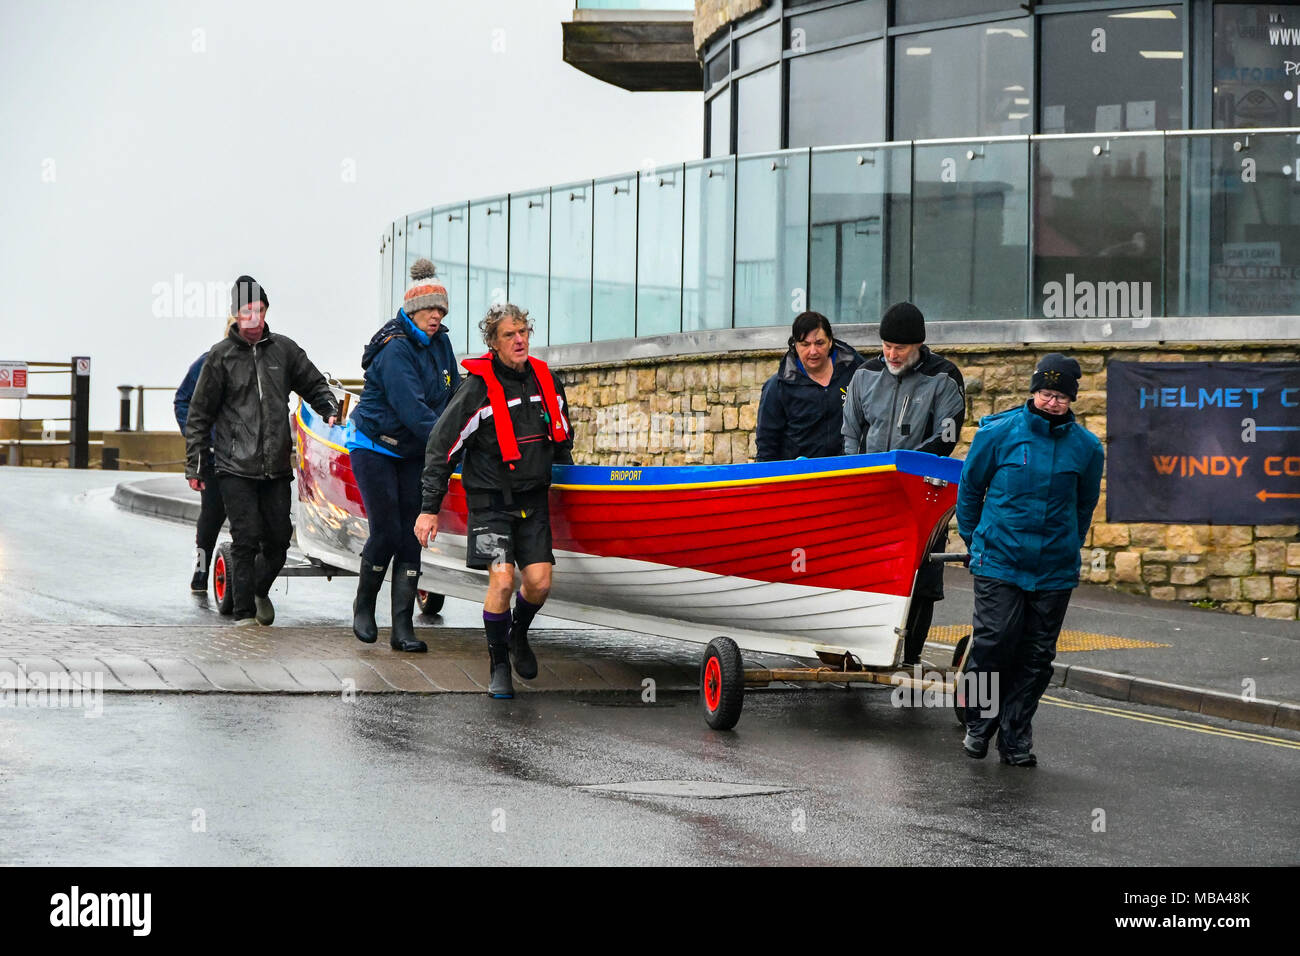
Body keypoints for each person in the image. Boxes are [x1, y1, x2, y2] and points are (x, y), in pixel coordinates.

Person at [414, 303, 573, 700]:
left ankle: (518, 634)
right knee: (502, 580)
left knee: (539, 583)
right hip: (491, 504)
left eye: (523, 332)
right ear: (493, 343)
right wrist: (429, 507)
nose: (519, 340)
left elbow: (563, 442)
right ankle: (498, 664)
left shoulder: (547, 381)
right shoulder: (475, 391)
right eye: (509, 335)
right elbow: (439, 447)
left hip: (533, 501)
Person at [956, 353, 1104, 767]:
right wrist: (975, 540)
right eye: (1044, 392)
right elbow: (969, 490)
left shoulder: (1088, 449)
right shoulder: (998, 434)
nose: (1050, 401)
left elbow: (1084, 505)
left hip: (1054, 567)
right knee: (994, 643)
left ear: (1072, 399)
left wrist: (1069, 545)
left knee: (1037, 657)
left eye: (1059, 395)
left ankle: (1016, 735)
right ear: (1033, 391)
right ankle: (978, 723)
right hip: (999, 559)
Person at [184, 276, 339, 626]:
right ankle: (243, 616)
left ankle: (257, 589)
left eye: (258, 309)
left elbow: (314, 384)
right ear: (235, 315)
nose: (252, 317)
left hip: (276, 466)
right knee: (246, 537)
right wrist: (195, 465)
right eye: (245, 311)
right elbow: (199, 414)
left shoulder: (283, 351)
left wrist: (328, 406)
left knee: (279, 540)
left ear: (266, 311)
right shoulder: (220, 358)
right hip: (234, 466)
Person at [841, 302, 966, 665]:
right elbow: (850, 432)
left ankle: (910, 656)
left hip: (923, 493)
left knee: (922, 579)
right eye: (886, 346)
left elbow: (947, 436)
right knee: (865, 572)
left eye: (900, 348)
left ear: (918, 346)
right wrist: (860, 474)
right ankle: (859, 651)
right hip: (871, 493)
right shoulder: (864, 374)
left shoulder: (945, 377)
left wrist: (900, 470)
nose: (891, 354)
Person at [347, 259, 461, 652]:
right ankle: (364, 607)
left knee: (413, 536)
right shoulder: (395, 349)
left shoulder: (442, 342)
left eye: (441, 310)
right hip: (375, 445)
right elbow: (415, 412)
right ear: (412, 310)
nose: (436, 316)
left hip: (415, 450)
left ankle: (402, 629)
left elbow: (454, 397)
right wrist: (452, 446)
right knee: (388, 530)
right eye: (430, 309)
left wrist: (468, 433)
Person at [755, 311, 864, 461]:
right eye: (805, 344)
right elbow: (766, 446)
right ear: (795, 345)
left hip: (846, 472)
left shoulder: (856, 371)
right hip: (799, 477)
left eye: (819, 343)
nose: (813, 351)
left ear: (830, 341)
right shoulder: (778, 387)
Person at [174, 325, 231, 594]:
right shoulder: (207, 362)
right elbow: (182, 400)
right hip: (212, 457)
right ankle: (201, 568)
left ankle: (245, 581)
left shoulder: (260, 361)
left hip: (247, 456)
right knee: (211, 517)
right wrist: (198, 435)